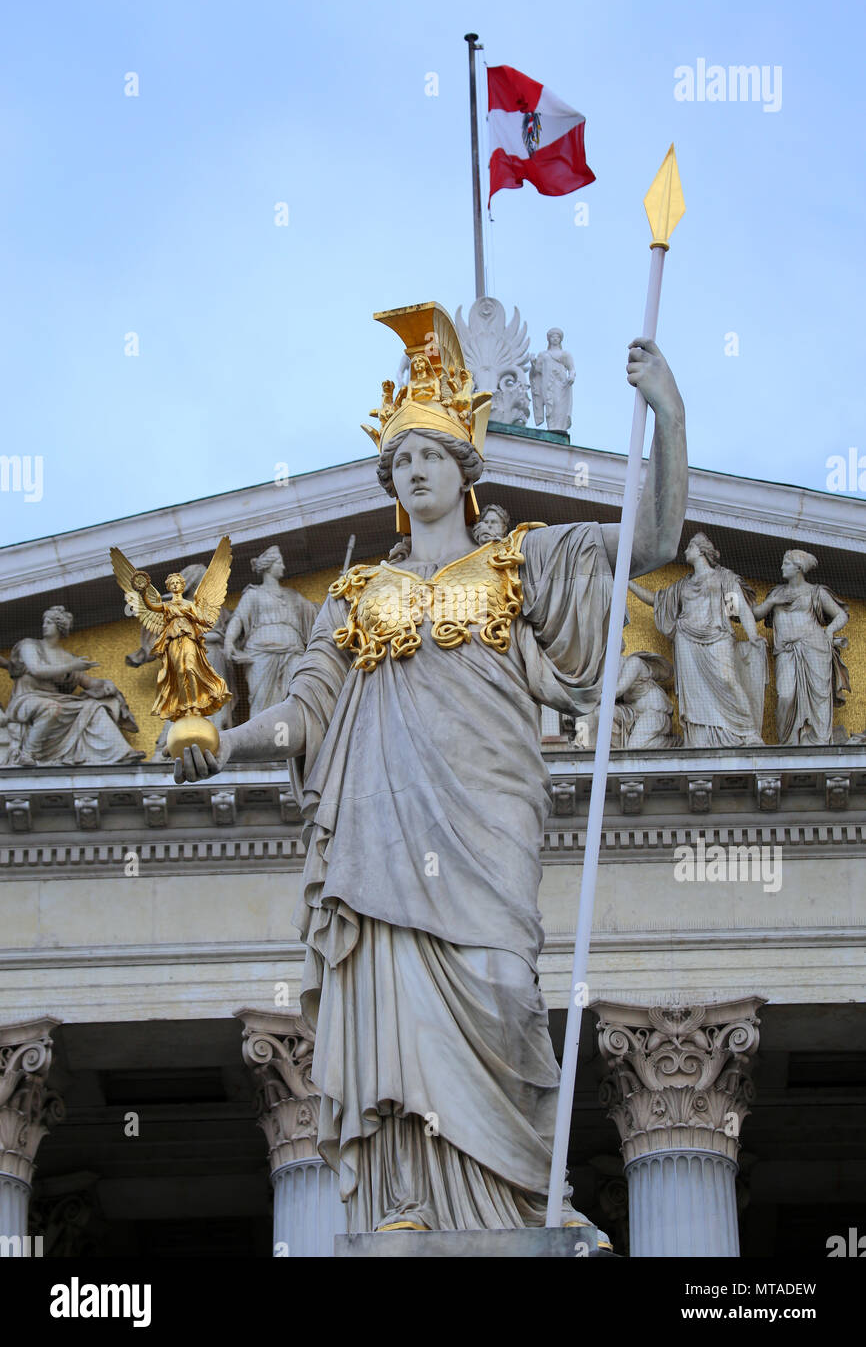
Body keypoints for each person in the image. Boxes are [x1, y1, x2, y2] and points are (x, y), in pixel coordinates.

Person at [175, 323, 687, 1234]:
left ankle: (524, 1204)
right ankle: (406, 1200)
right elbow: (308, 707)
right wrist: (224, 740)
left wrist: (669, 414)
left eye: (427, 456)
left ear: (465, 467)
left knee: (501, 994)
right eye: (398, 460)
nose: (411, 471)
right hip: (381, 839)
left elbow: (649, 542)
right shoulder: (358, 591)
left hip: (486, 821)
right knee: (396, 1008)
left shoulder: (522, 560)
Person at [629, 533, 767, 747]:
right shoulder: (683, 585)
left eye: (689, 547)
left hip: (718, 635)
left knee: (727, 679)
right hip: (686, 640)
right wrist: (627, 582)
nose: (685, 551)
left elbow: (737, 609)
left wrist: (753, 636)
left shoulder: (724, 578)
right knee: (694, 692)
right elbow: (655, 600)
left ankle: (747, 732)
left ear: (701, 551)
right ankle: (700, 738)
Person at [6, 606, 143, 766]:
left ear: (60, 627)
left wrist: (105, 684)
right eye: (44, 621)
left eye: (49, 622)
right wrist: (72, 666)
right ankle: (28, 753)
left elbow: (87, 682)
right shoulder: (29, 645)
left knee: (94, 707)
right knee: (51, 708)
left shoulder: (67, 658)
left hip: (57, 700)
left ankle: (121, 752)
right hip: (27, 699)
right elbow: (37, 670)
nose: (44, 625)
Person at [752, 550, 849, 745]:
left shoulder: (816, 592)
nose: (781, 567)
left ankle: (818, 741)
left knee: (818, 698)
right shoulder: (777, 593)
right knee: (786, 696)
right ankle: (789, 742)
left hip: (814, 648)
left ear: (799, 568)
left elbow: (841, 615)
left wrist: (829, 631)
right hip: (787, 652)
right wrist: (771, 602)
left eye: (786, 563)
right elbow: (755, 614)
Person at [223, 547, 317, 718]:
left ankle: (302, 740)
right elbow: (238, 618)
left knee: (302, 693)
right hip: (261, 653)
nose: (283, 567)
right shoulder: (253, 594)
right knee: (262, 701)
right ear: (268, 566)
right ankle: (263, 742)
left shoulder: (293, 596)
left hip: (293, 651)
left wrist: (336, 593)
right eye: (279, 563)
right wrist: (229, 641)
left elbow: (316, 614)